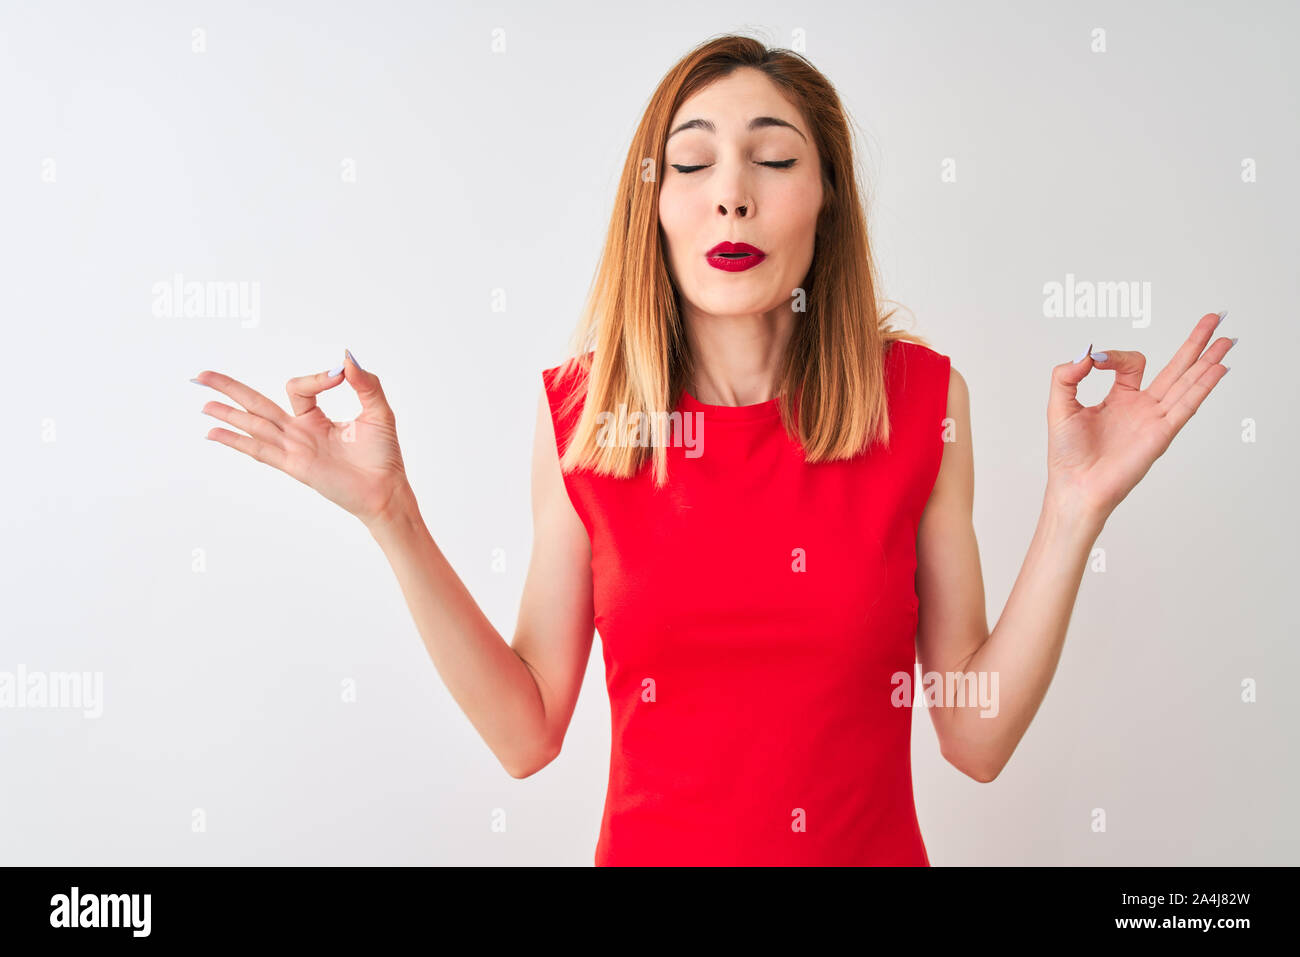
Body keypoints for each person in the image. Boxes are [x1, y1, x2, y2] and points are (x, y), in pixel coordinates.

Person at [190, 35, 1235, 866]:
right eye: (692, 162)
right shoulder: (584, 420)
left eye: (775, 161)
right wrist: (391, 515)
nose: (731, 192)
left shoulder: (918, 402)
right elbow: (524, 735)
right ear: (655, 204)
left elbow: (975, 737)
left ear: (825, 205)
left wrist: (1072, 510)